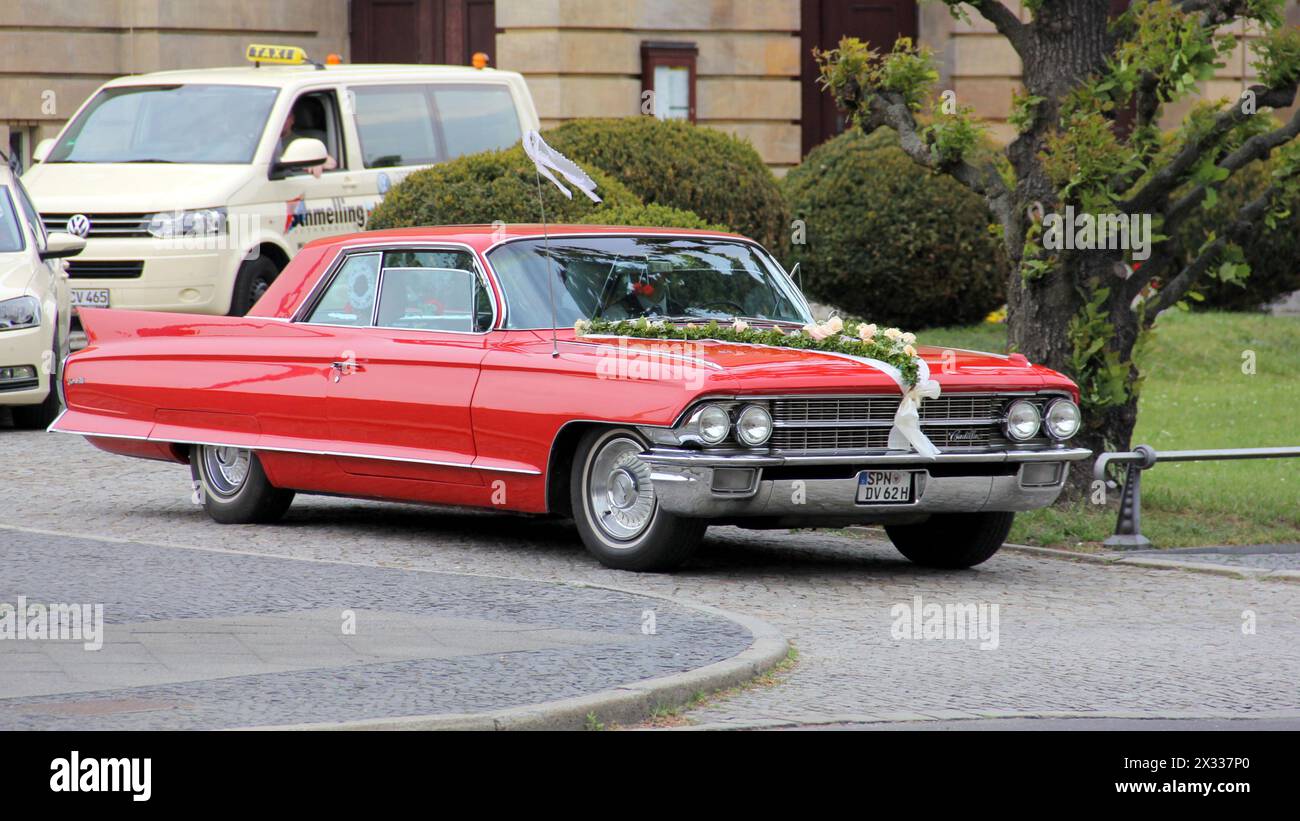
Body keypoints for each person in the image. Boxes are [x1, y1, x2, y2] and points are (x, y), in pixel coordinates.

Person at [276, 97, 336, 178]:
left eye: (285, 117)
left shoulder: (300, 142)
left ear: (292, 119)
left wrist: (317, 164)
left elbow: (330, 162)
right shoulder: (261, 142)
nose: (281, 120)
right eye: (278, 117)